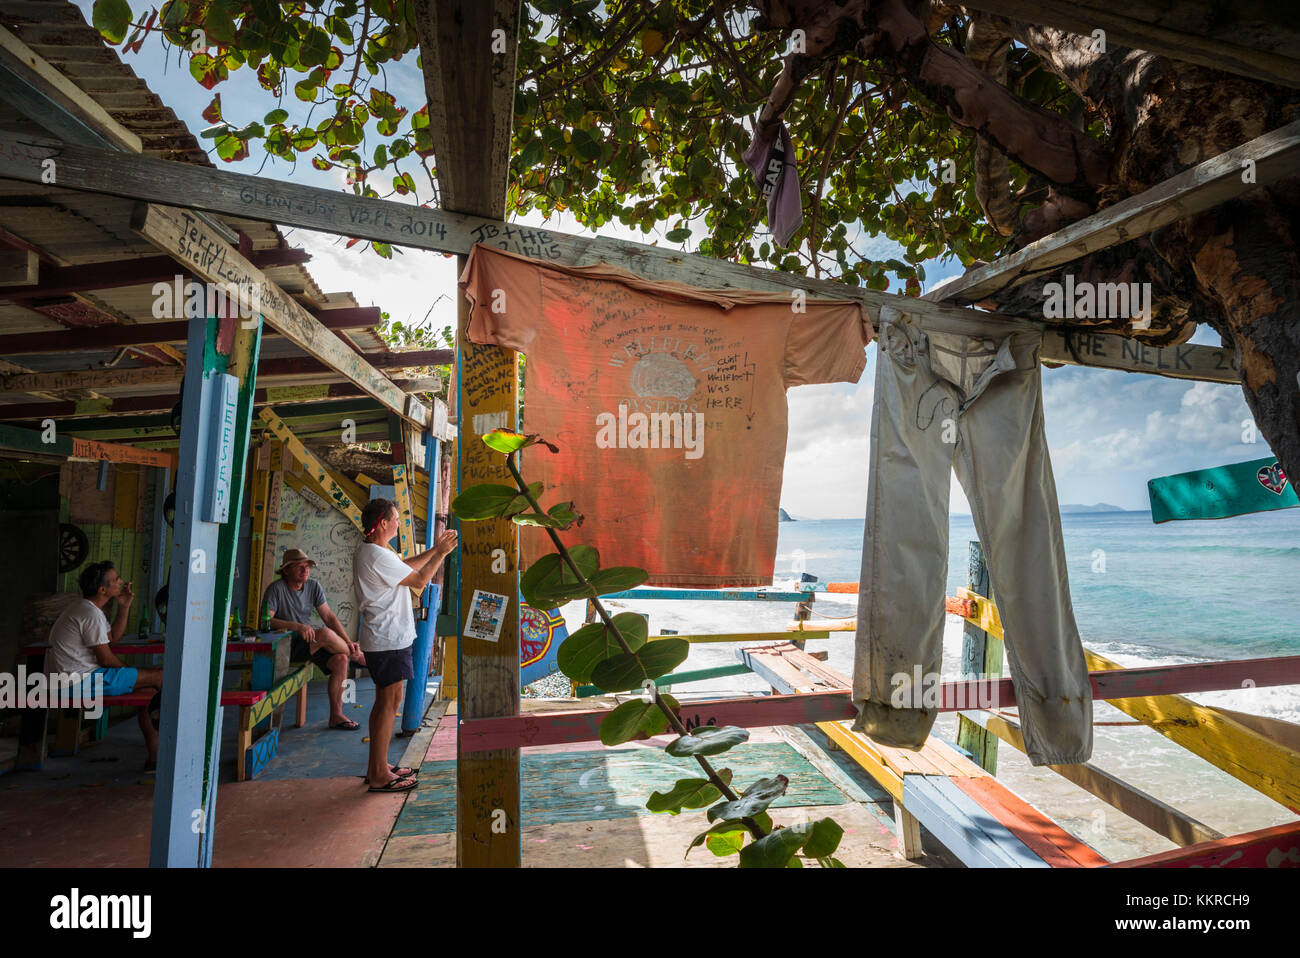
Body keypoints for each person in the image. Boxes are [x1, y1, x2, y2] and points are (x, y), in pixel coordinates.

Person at [353, 498, 457, 792]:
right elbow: (420, 579)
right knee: (389, 705)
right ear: (384, 523)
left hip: (383, 637)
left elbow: (403, 567)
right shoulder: (376, 555)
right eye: (396, 519)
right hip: (388, 638)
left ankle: (378, 766)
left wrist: (435, 549)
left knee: (385, 704)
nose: (399, 523)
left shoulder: (372, 551)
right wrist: (442, 554)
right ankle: (378, 775)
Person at [46, 560, 164, 770]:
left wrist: (124, 606)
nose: (121, 581)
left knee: (147, 690)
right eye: (116, 579)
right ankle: (176, 737)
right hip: (78, 683)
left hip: (75, 679)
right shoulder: (90, 614)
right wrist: (131, 673)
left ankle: (155, 758)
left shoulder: (88, 609)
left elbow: (113, 639)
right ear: (103, 589)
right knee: (158, 677)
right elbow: (106, 659)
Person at [262, 548, 368, 730]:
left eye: (307, 566)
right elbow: (266, 621)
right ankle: (358, 656)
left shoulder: (313, 586)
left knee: (341, 660)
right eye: (299, 567)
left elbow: (329, 617)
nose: (305, 570)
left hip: (309, 642)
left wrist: (348, 641)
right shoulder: (276, 589)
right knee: (325, 634)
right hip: (288, 644)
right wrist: (297, 626)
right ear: (286, 570)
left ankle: (336, 716)